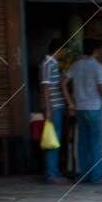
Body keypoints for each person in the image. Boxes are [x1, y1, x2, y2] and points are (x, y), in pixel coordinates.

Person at [65, 40, 102, 184]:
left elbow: (63, 83)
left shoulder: (75, 65)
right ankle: (97, 177)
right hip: (94, 107)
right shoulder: (97, 66)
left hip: (80, 108)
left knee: (83, 143)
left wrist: (71, 102)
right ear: (96, 50)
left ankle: (84, 175)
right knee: (96, 143)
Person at [39, 39, 64, 184]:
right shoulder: (48, 64)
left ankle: (54, 171)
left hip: (55, 106)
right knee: (52, 140)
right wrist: (48, 109)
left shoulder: (52, 64)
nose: (64, 53)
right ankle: (51, 174)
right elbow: (46, 87)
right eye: (64, 50)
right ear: (59, 49)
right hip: (53, 107)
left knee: (55, 140)